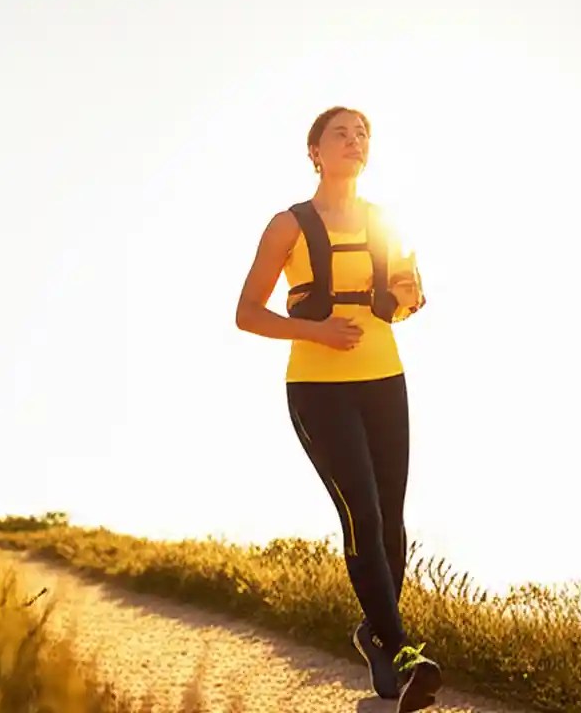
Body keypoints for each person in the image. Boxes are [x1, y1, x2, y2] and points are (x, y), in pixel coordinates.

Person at [234, 106, 442, 711]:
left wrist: (404, 297)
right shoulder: (288, 226)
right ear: (314, 152)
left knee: (392, 518)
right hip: (318, 388)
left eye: (363, 134)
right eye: (340, 133)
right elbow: (247, 312)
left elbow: (410, 293)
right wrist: (318, 332)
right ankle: (405, 653)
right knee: (363, 514)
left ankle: (373, 636)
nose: (354, 141)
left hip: (385, 378)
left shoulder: (387, 221)